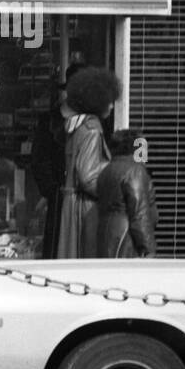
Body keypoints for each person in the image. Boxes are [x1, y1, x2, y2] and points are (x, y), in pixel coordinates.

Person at [57, 67, 121, 259]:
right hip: (86, 209)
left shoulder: (77, 125)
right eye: (109, 102)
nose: (111, 106)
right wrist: (114, 189)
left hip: (72, 204)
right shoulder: (92, 129)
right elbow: (89, 176)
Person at [30, 64, 81, 259]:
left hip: (86, 202)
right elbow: (39, 159)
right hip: (60, 198)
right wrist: (53, 191)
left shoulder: (94, 121)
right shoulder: (50, 120)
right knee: (57, 248)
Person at [96, 129, 158, 258]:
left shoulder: (107, 170)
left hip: (106, 236)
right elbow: (139, 213)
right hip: (128, 239)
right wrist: (148, 249)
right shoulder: (135, 171)